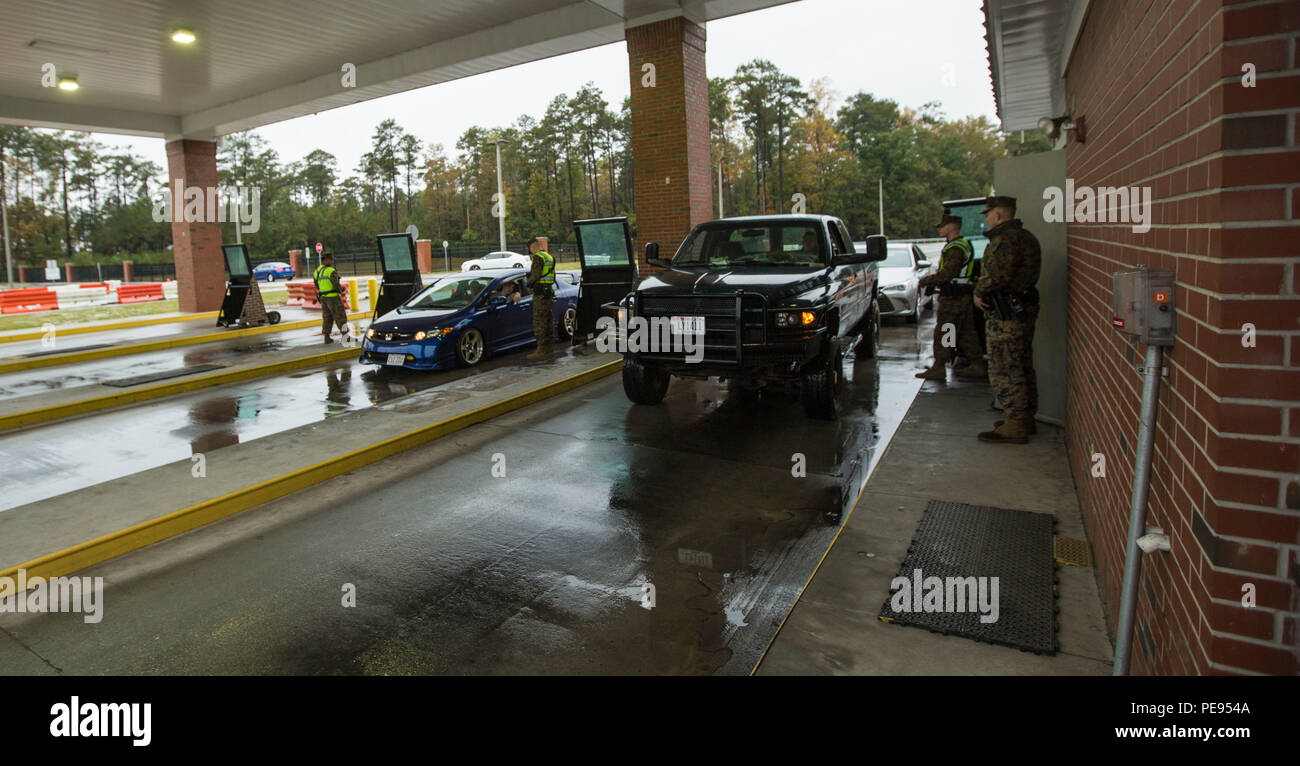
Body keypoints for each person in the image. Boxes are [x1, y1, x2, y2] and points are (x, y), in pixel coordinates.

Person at [972, 196, 1041, 444]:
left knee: (1005, 365)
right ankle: (1023, 418)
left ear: (998, 215)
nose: (988, 219)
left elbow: (997, 276)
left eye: (988, 214)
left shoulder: (1005, 240)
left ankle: (1016, 422)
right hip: (1021, 307)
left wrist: (978, 291)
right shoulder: (1026, 237)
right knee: (1022, 362)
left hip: (1006, 313)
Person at [915, 214, 984, 381]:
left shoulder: (955, 248)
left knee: (946, 331)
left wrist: (926, 281)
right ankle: (977, 363)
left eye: (942, 226)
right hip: (962, 296)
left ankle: (939, 366)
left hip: (953, 298)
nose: (939, 228)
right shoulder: (963, 244)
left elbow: (948, 273)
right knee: (966, 331)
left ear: (952, 226)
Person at [525, 236, 555, 360]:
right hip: (548, 292)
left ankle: (541, 350)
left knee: (540, 322)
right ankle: (550, 347)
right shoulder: (549, 256)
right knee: (548, 320)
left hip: (540, 294)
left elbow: (535, 276)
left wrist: (527, 282)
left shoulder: (538, 257)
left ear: (532, 248)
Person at [313, 252, 350, 344]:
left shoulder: (317, 271)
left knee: (327, 317)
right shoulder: (330, 270)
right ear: (327, 260)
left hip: (323, 298)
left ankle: (327, 337)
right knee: (340, 316)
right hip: (333, 298)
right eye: (331, 259)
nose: (332, 261)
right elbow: (336, 284)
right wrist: (341, 289)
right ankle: (346, 337)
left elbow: (316, 285)